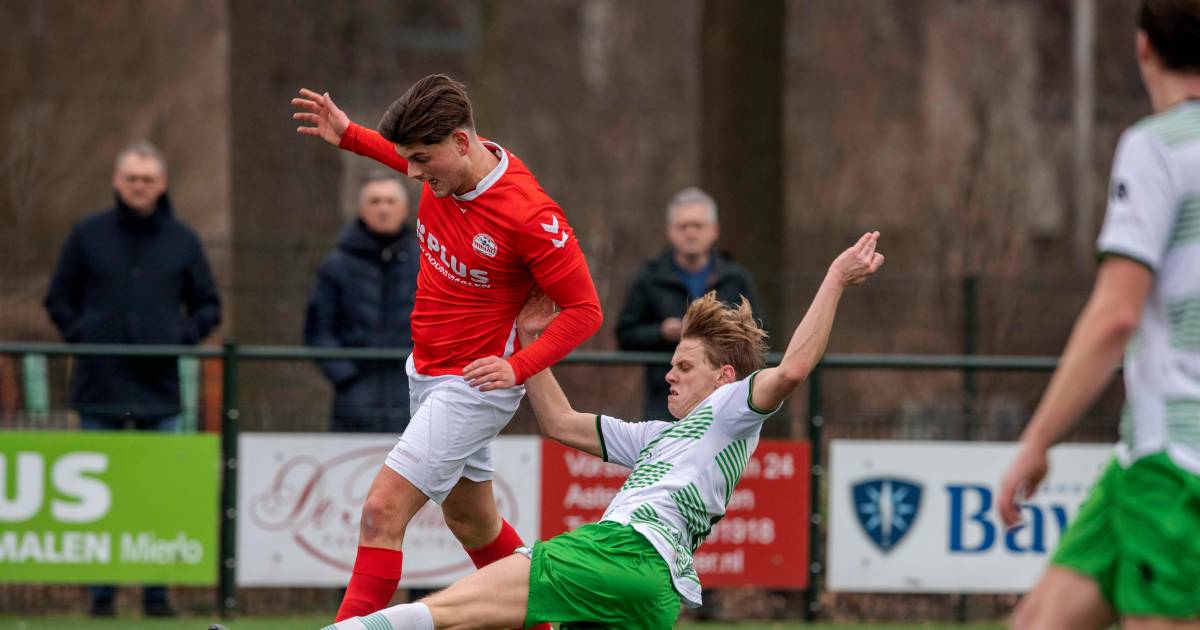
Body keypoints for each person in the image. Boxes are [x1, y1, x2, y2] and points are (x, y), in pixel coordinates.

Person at [322, 232, 884, 629]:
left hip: (621, 552)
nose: (669, 374)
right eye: (671, 364)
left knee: (445, 613)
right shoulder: (661, 437)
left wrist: (835, 278)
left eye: (685, 366)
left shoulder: (731, 409)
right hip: (654, 596)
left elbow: (793, 369)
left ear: (725, 377)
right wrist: (529, 340)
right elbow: (560, 422)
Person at [292, 75, 602, 625]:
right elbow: (401, 154)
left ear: (461, 142)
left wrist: (518, 366)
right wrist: (349, 135)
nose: (412, 173)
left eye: (421, 159)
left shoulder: (530, 215)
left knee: (381, 511)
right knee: (473, 525)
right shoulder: (447, 174)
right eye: (408, 158)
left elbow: (585, 310)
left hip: (473, 385)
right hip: (427, 372)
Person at [998, 2, 1200, 627]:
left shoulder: (1156, 148)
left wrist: (1036, 442)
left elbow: (1116, 316)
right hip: (1140, 458)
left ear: (1143, 47)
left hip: (1178, 463)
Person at [44, 141, 222, 618]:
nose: (139, 186)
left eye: (147, 179)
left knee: (157, 491)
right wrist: (86, 337)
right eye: (131, 178)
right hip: (98, 388)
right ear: (116, 181)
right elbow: (58, 299)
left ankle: (156, 594)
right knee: (98, 493)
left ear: (161, 184)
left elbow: (208, 305)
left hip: (160, 390)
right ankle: (101, 596)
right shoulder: (87, 235)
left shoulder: (183, 241)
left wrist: (179, 337)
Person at [617, 187, 761, 420]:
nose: (691, 233)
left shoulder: (735, 278)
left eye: (698, 225)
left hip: (723, 399)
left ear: (714, 230)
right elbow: (625, 334)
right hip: (665, 399)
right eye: (683, 226)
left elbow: (758, 331)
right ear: (670, 231)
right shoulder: (650, 277)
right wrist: (661, 332)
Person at [305, 170, 420, 434]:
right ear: (361, 209)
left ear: (404, 208)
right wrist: (346, 379)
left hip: (414, 395)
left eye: (390, 201)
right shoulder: (336, 265)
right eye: (375, 201)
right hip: (354, 405)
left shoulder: (425, 262)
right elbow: (318, 330)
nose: (383, 209)